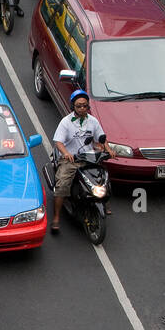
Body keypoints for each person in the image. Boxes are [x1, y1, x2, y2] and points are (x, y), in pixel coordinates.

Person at [50, 89, 108, 235]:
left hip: (89, 158)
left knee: (103, 177)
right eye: (79, 106)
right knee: (62, 184)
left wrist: (108, 149)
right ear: (73, 107)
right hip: (71, 160)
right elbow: (58, 142)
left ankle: (104, 203)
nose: (82, 108)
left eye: (85, 106)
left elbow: (101, 137)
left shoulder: (93, 121)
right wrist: (66, 153)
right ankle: (56, 217)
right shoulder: (66, 122)